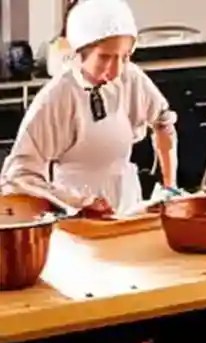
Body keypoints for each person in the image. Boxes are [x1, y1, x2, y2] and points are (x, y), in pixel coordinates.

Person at [0, 0, 178, 215]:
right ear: (80, 52)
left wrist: (169, 187)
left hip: (128, 204)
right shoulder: (57, 96)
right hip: (75, 214)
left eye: (124, 56)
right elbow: (18, 176)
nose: (116, 69)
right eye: (104, 57)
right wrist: (76, 203)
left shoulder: (130, 78)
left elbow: (163, 121)